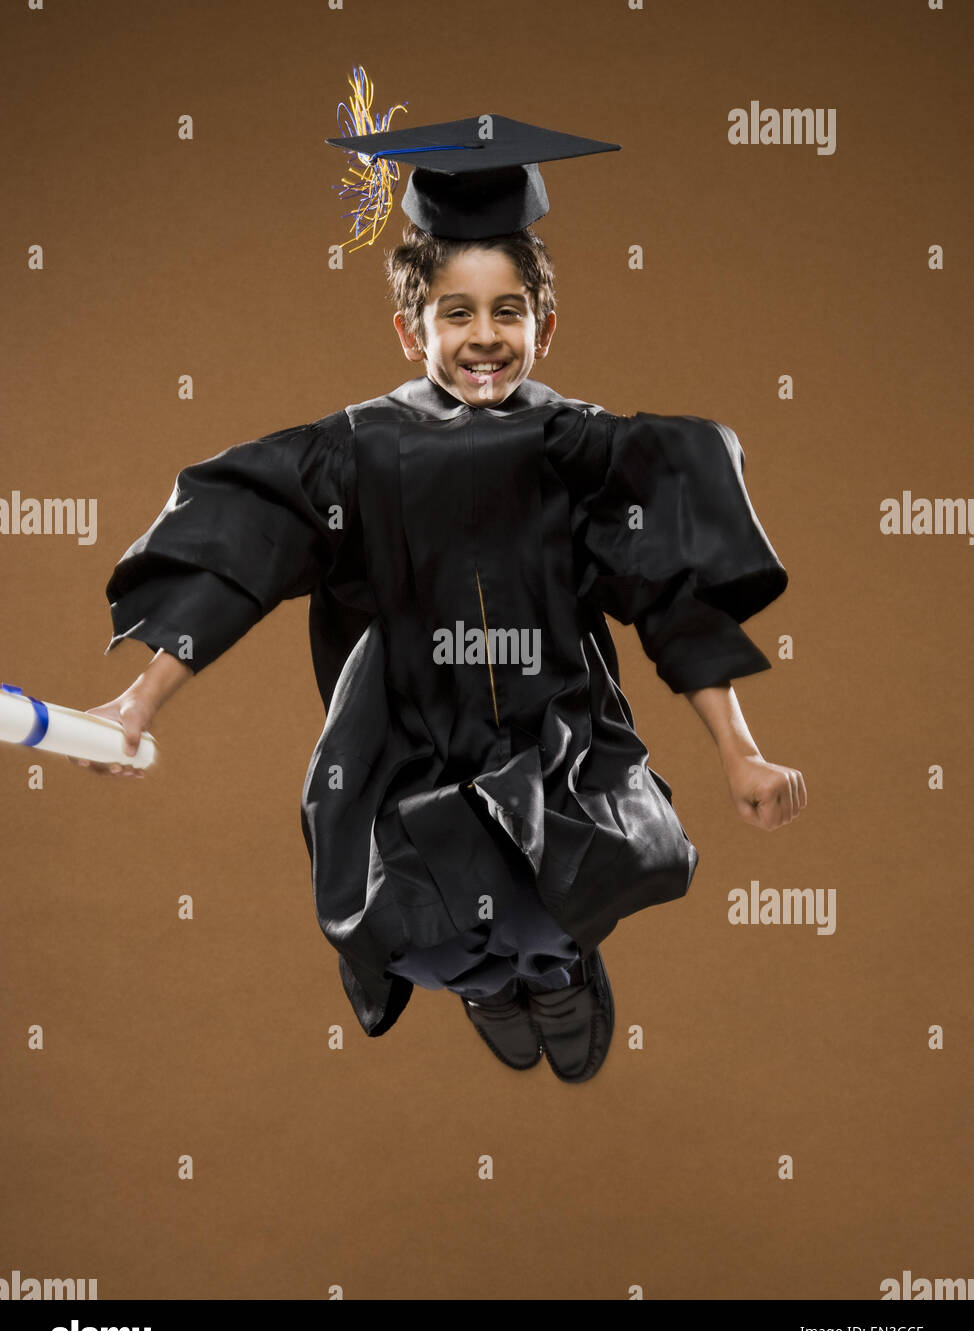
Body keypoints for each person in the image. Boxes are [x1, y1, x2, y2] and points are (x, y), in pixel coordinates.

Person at [71, 113, 806, 1085]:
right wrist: (138, 702)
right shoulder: (353, 454)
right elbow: (236, 554)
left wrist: (739, 750)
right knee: (416, 923)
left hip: (555, 737)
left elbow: (674, 597)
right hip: (405, 744)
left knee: (558, 896)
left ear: (545, 325)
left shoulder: (583, 451)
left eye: (508, 311)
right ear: (409, 328)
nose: (484, 337)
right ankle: (488, 984)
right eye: (455, 313)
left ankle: (554, 969)